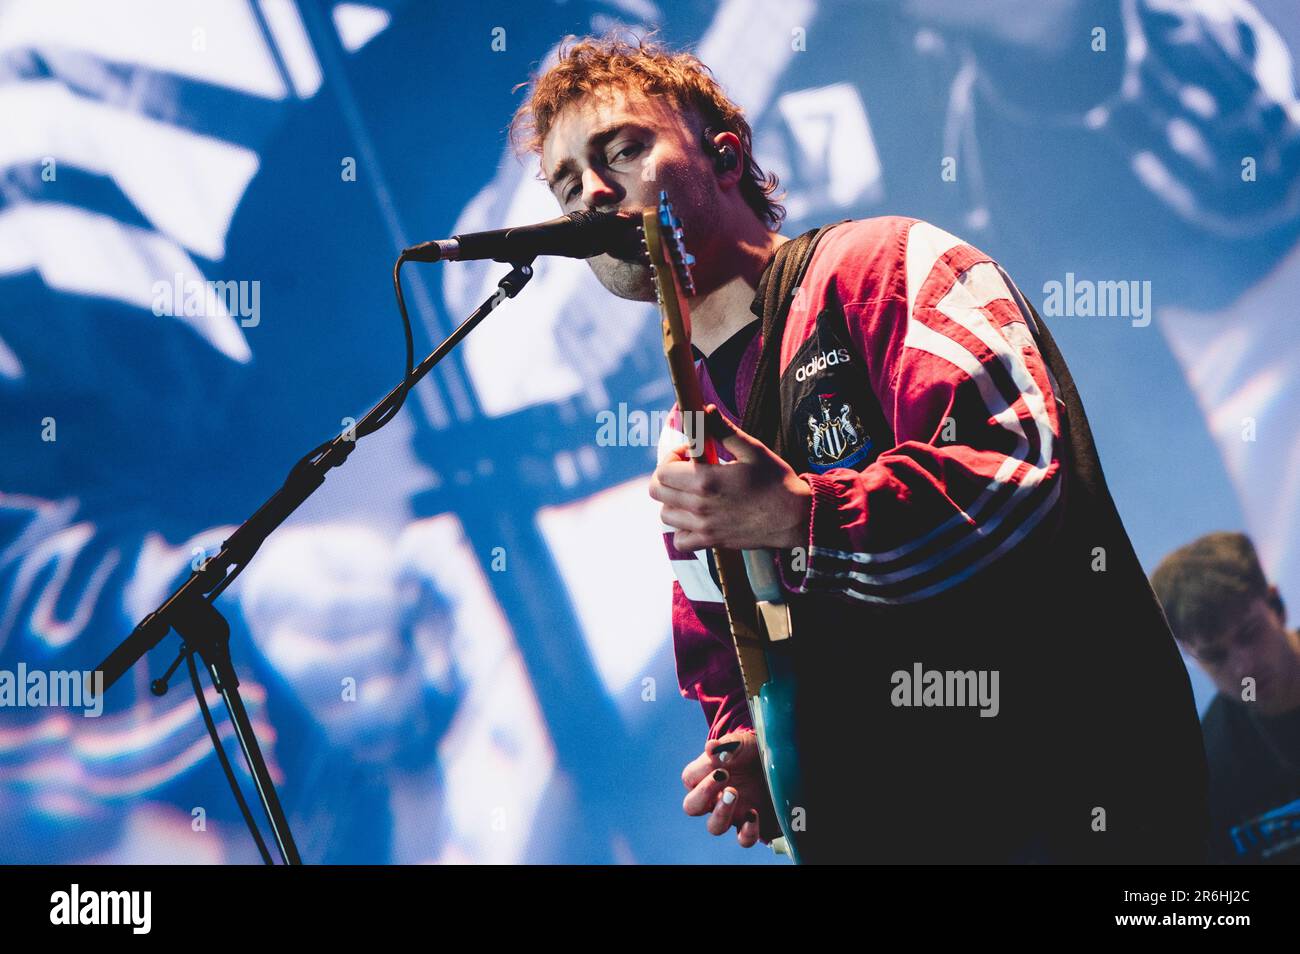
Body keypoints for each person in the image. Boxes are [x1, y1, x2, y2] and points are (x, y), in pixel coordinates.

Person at [510, 32, 1208, 862]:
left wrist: (806, 517)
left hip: (1079, 812)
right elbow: (729, 654)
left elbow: (1015, 477)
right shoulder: (685, 435)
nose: (592, 193)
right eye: (565, 185)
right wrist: (755, 752)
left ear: (725, 157)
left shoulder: (886, 264)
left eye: (622, 149)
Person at [1153, 532, 1300, 864]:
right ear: (1189, 656)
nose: (1243, 666)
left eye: (1249, 634)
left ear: (1276, 605)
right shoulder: (1206, 770)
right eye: (1216, 656)